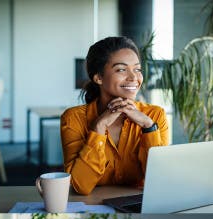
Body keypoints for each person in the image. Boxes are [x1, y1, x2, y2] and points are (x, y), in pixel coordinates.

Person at [60, 36, 169, 195]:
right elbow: (80, 186)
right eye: (121, 69)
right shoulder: (73, 118)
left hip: (139, 207)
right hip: (93, 210)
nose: (134, 78)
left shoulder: (154, 116)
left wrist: (148, 127)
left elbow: (160, 180)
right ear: (98, 77)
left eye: (137, 69)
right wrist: (98, 128)